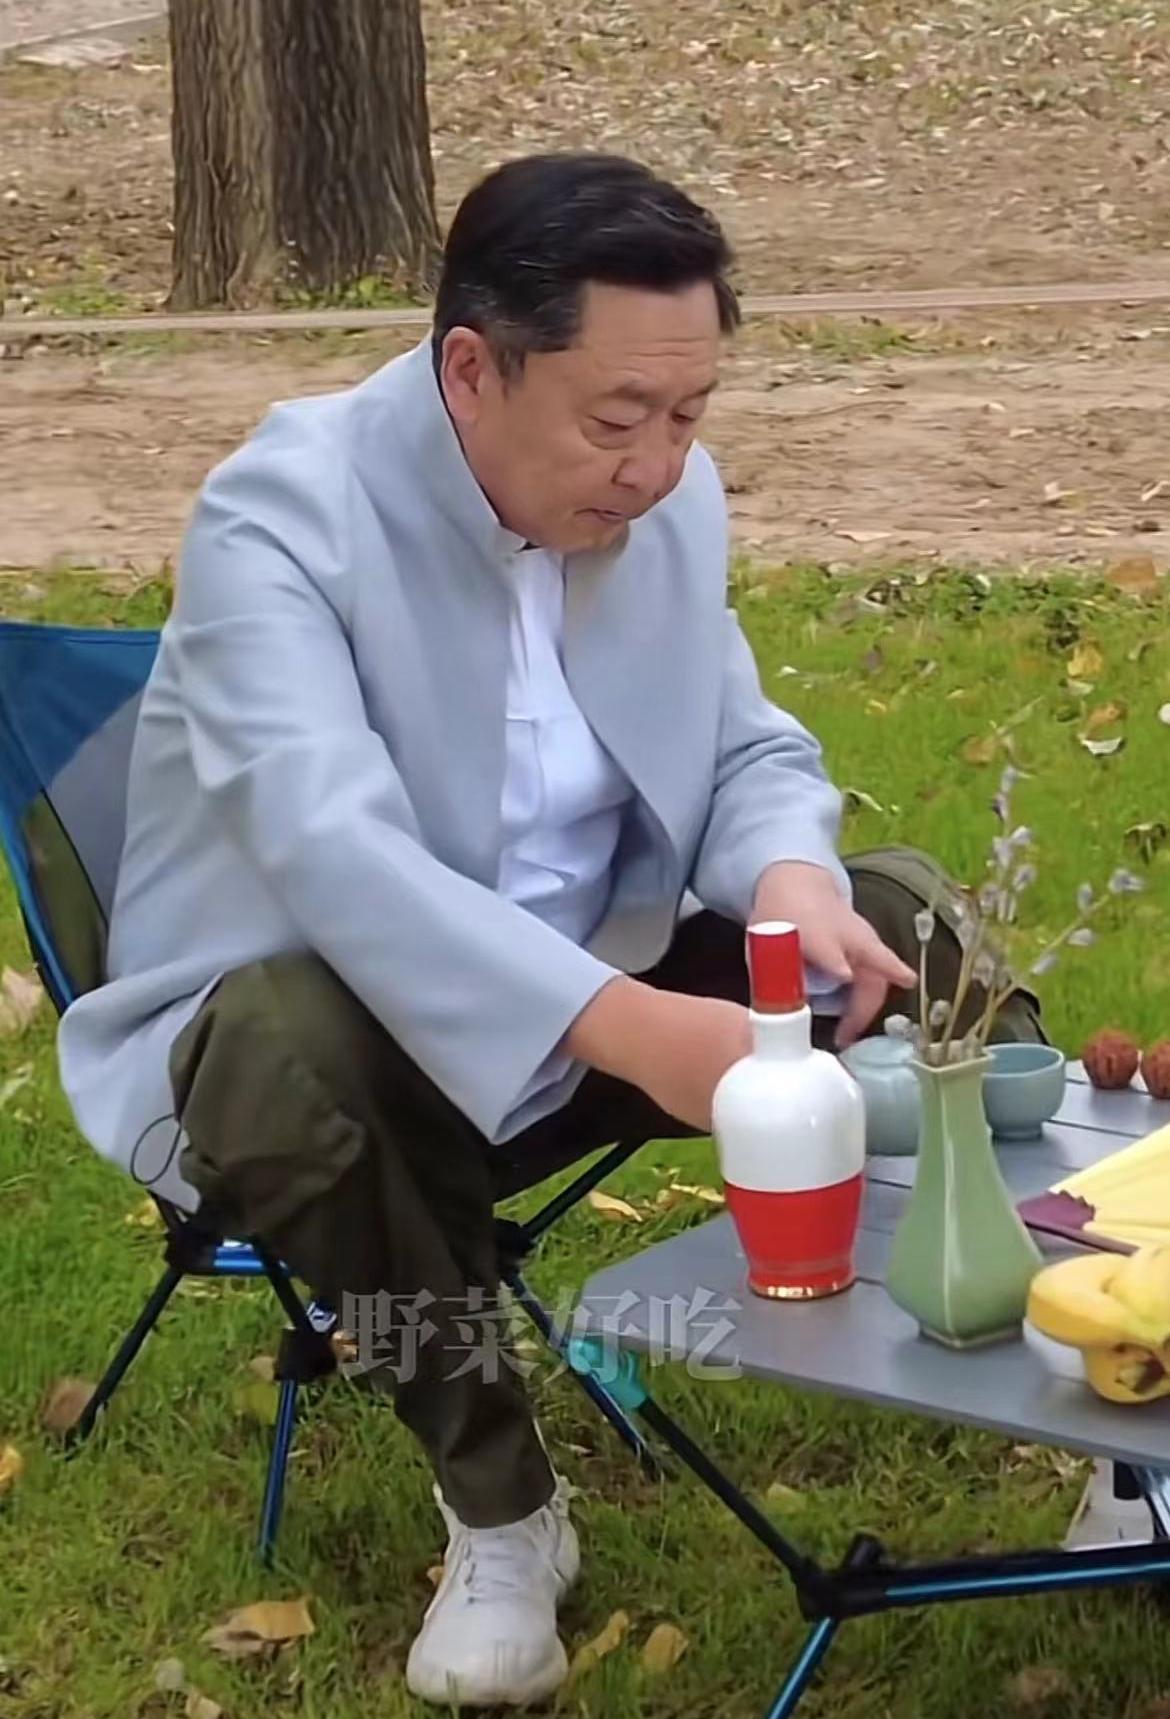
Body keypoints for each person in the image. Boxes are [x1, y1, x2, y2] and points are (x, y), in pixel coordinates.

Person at [57, 153, 1040, 1709]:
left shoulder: (665, 498)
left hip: (611, 967)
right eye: (613, 420)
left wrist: (787, 876)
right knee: (273, 1052)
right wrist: (635, 1031)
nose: (654, 466)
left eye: (689, 415)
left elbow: (743, 751)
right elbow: (333, 850)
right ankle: (504, 1511)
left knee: (894, 915)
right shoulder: (282, 517)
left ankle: (1093, 1353)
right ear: (471, 370)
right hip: (358, 1047)